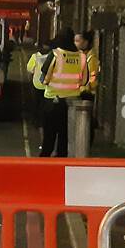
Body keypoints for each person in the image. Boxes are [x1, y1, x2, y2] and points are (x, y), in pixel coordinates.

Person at [34, 27, 85, 157]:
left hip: (52, 102)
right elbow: (84, 81)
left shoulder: (56, 54)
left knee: (48, 141)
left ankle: (43, 169)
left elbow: (44, 78)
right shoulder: (82, 57)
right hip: (72, 105)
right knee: (64, 139)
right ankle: (62, 168)